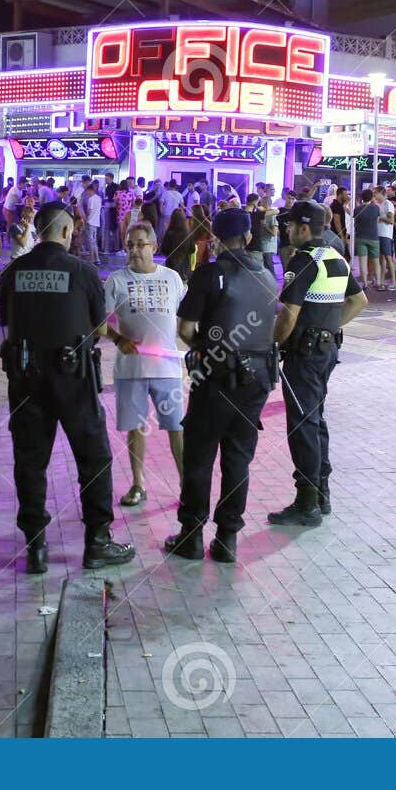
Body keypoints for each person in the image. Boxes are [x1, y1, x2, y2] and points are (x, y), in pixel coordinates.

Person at [0, 202, 135, 575]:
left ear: (38, 230)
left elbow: (7, 323)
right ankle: (97, 542)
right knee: (93, 459)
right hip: (73, 379)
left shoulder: (13, 272)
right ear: (68, 230)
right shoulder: (83, 272)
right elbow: (99, 326)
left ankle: (36, 547)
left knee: (30, 461)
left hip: (25, 378)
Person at [163, 209, 279, 563]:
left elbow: (184, 329)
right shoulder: (268, 275)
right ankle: (227, 538)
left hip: (216, 378)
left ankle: (192, 535)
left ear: (215, 238)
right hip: (257, 378)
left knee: (199, 457)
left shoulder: (210, 274)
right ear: (247, 238)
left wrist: (205, 348)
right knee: (238, 458)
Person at [267, 201, 368, 525]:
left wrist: (272, 343)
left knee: (303, 425)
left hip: (304, 356)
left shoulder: (304, 260)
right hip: (325, 353)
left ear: (305, 228)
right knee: (316, 421)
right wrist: (330, 327)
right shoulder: (335, 257)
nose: (286, 229)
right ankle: (321, 494)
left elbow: (288, 316)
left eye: (291, 224)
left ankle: (306, 502)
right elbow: (359, 300)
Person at [103, 221, 186, 508]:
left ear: (154, 246)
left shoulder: (173, 278)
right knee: (135, 428)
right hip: (131, 369)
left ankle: (187, 484)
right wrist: (117, 339)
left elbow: (187, 317)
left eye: (140, 244)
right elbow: (99, 322)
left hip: (168, 370)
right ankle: (138, 484)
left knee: (177, 426)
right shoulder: (116, 280)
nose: (135, 250)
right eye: (130, 245)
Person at [352, 188, 381, 288]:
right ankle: (378, 282)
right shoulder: (376, 208)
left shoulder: (357, 209)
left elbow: (355, 223)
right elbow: (376, 221)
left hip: (360, 237)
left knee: (362, 261)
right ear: (372, 197)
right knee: (376, 261)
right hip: (373, 237)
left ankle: (365, 283)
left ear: (361, 198)